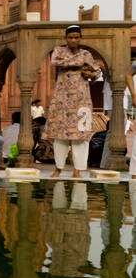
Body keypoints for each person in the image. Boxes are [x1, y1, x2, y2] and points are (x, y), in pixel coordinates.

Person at [45, 24, 99, 178]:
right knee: (60, 137)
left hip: (82, 101)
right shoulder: (59, 51)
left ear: (80, 38)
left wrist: (90, 74)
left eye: (76, 37)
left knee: (81, 137)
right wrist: (81, 62)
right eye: (70, 37)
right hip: (61, 100)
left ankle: (78, 170)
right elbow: (56, 62)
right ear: (66, 38)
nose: (73, 40)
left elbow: (96, 72)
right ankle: (58, 169)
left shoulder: (86, 53)